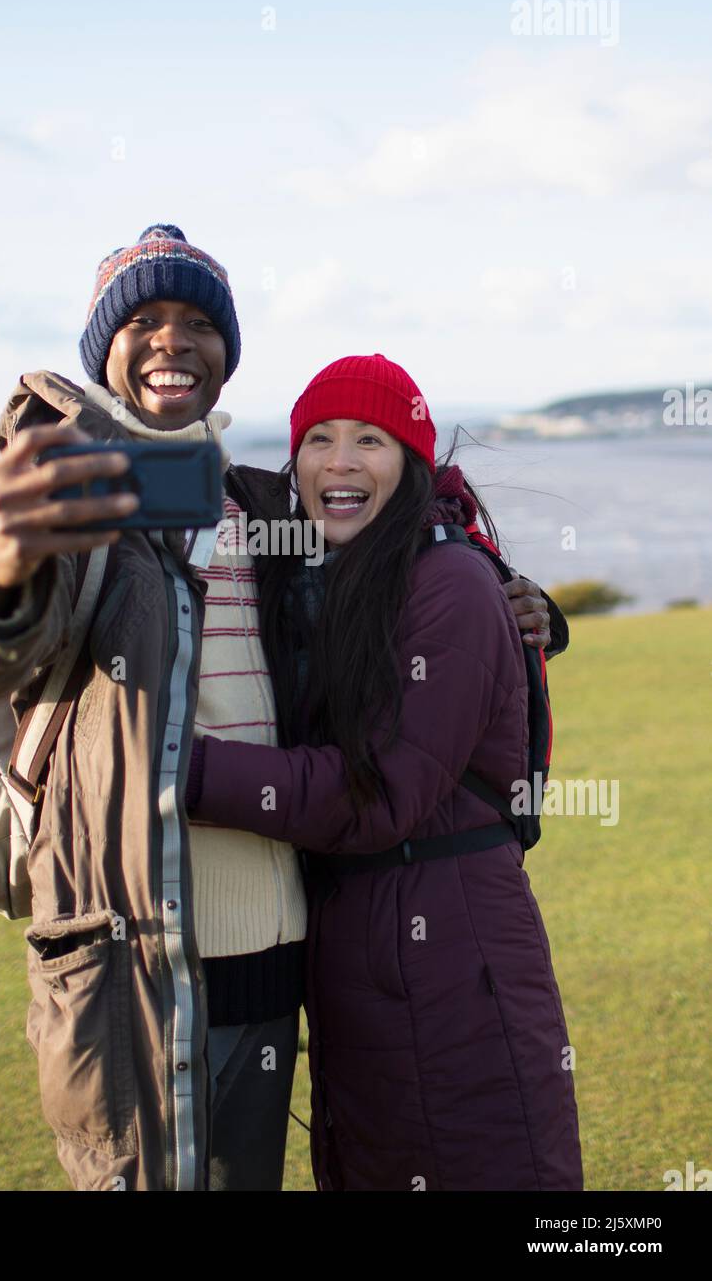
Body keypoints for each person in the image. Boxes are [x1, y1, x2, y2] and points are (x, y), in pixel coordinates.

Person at [0, 226, 567, 1191]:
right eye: (142, 321)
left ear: (226, 355)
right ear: (105, 353)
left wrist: (526, 609)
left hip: (279, 963)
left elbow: (400, 543)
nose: (171, 340)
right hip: (129, 960)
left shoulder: (260, 506)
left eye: (195, 321)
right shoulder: (63, 492)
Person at [184, 353, 584, 1191]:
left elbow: (376, 796)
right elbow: (208, 492)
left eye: (371, 438)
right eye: (318, 439)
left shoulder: (447, 582)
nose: (339, 460)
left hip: (450, 956)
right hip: (361, 954)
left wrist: (176, 771)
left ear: (410, 462)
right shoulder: (323, 573)